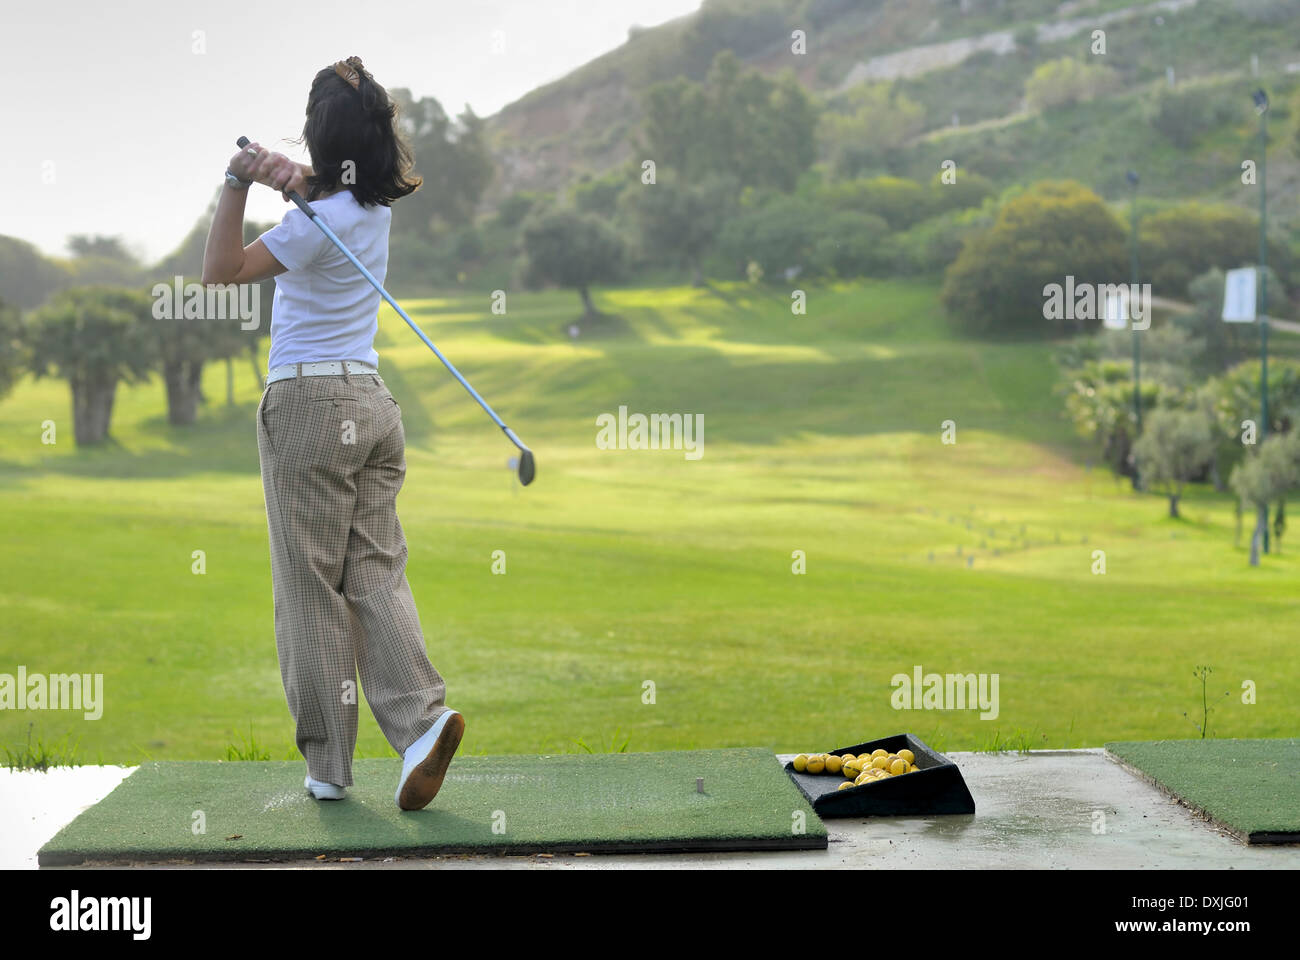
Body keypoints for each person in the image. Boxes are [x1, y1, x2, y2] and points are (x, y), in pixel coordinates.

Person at [201, 56, 462, 810]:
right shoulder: (369, 211)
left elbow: (220, 270)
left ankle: (328, 767)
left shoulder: (311, 227)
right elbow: (327, 191)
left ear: (320, 137)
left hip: (308, 406)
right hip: (374, 406)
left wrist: (236, 182)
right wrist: (293, 179)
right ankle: (422, 721)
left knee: (309, 588)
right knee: (375, 571)